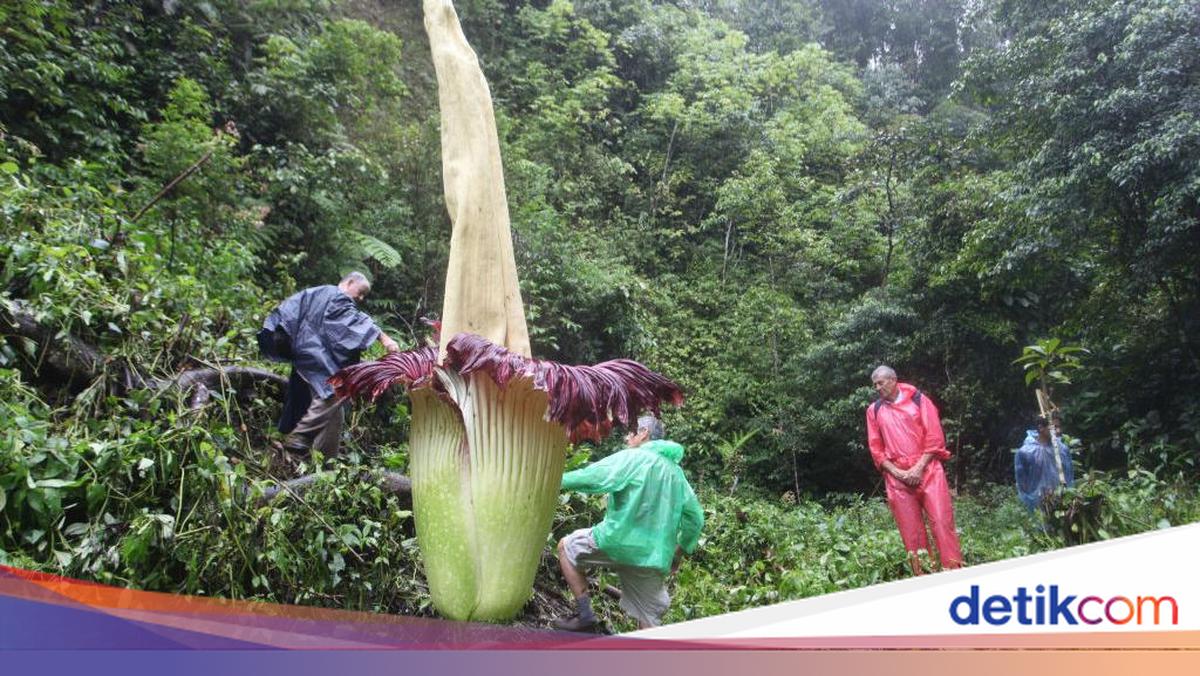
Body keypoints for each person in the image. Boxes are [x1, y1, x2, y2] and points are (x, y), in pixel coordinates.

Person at [553, 415, 704, 631]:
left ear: (644, 434)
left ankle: (585, 615)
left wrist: (554, 479)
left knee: (566, 548)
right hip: (654, 557)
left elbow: (593, 477)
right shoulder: (677, 475)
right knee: (648, 617)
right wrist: (677, 553)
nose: (626, 437)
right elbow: (695, 519)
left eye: (631, 431)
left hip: (614, 543)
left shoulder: (633, 458)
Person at [258, 272, 401, 456]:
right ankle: (300, 436)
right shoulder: (336, 296)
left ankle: (326, 466)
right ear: (349, 282)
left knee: (335, 412)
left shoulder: (318, 292)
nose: (361, 298)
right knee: (335, 389)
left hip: (304, 355)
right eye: (361, 292)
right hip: (313, 355)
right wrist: (385, 338)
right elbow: (356, 321)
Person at [865, 365, 962, 574]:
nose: (877, 388)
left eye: (881, 383)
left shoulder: (919, 400)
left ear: (893, 380)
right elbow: (876, 449)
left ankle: (954, 572)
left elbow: (935, 438)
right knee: (912, 534)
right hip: (897, 476)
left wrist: (918, 468)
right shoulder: (874, 411)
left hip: (928, 470)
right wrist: (897, 472)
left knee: (942, 524)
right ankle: (924, 577)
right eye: (875, 385)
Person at [1014, 414, 1074, 512]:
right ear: (1041, 428)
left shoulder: (1062, 449)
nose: (1059, 431)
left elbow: (1069, 477)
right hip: (1037, 504)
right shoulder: (1025, 452)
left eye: (1059, 427)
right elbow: (1022, 483)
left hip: (1062, 501)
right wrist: (1031, 500)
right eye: (1054, 427)